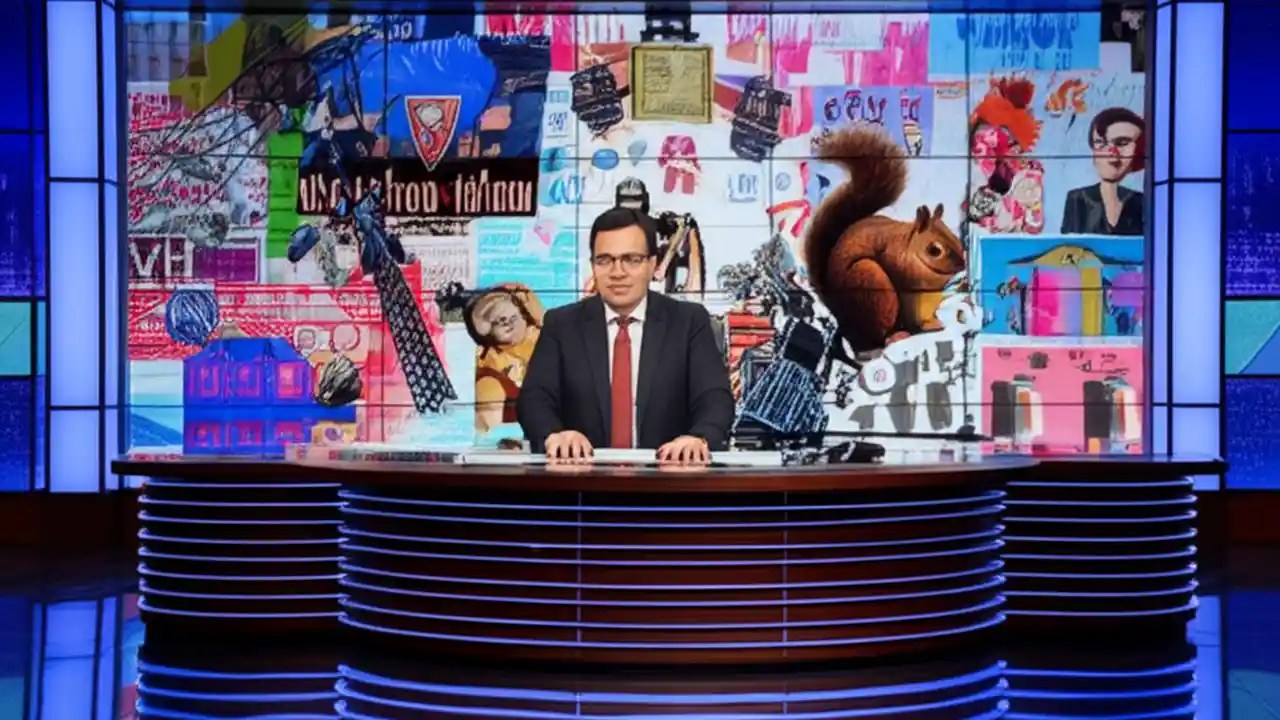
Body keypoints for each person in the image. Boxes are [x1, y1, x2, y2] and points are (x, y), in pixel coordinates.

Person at [516, 207, 735, 463]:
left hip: (668, 482)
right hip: (581, 483)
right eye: (605, 260)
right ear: (593, 266)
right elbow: (535, 399)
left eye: (631, 259)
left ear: (653, 264)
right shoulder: (562, 324)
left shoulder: (688, 322)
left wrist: (699, 438)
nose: (617, 272)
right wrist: (554, 435)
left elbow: (714, 397)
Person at [1061, 108, 1145, 236]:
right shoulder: (1078, 199)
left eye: (1122, 143)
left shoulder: (1142, 202)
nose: (1112, 153)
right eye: (1101, 143)